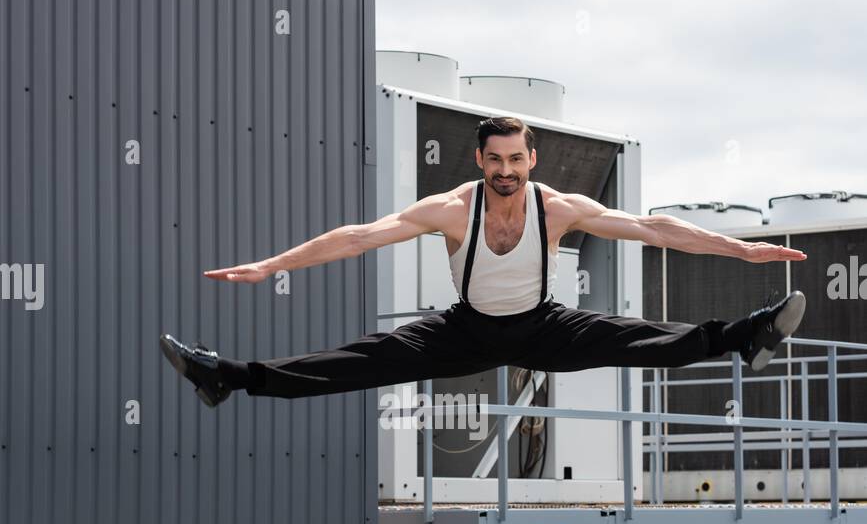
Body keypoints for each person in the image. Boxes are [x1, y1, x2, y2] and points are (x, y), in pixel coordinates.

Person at [159, 117, 808, 408]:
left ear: (531, 160)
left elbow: (650, 228)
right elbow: (357, 237)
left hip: (544, 325)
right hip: (465, 328)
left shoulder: (556, 207)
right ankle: (228, 377)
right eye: (494, 159)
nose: (505, 170)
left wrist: (741, 248)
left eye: (515, 159)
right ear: (479, 160)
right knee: (362, 359)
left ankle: (748, 335)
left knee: (637, 339)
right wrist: (272, 266)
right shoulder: (450, 209)